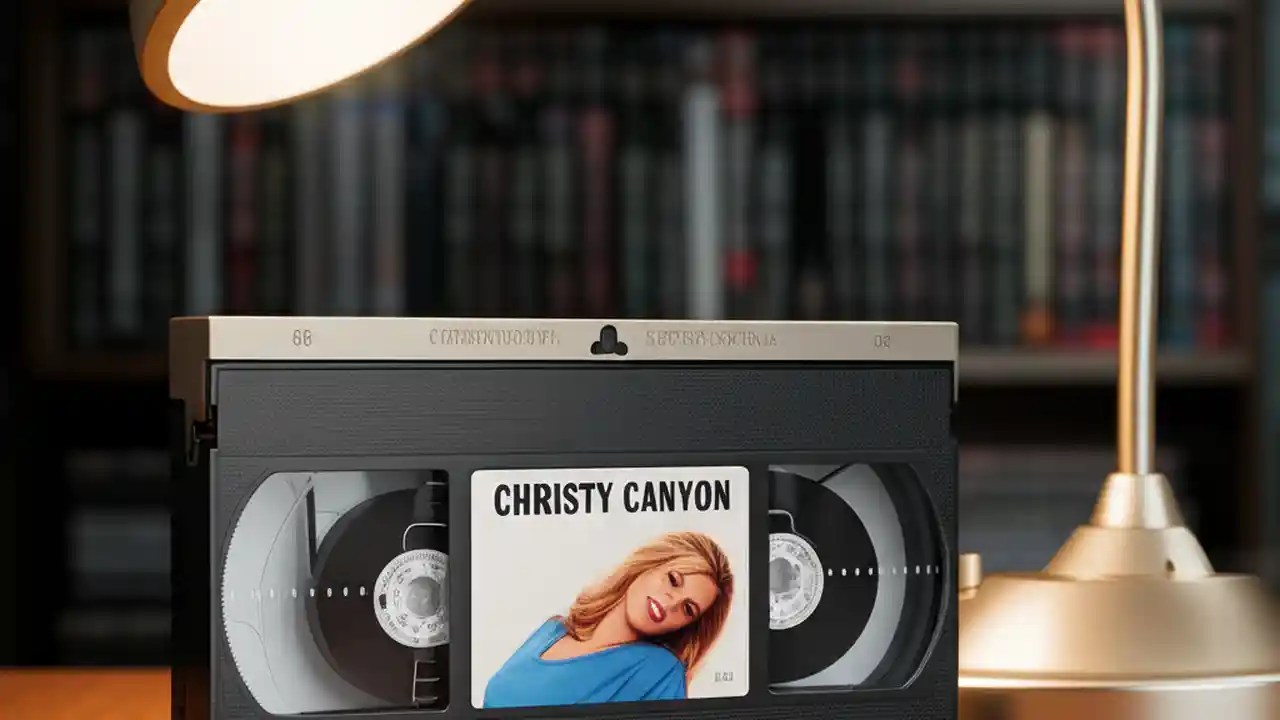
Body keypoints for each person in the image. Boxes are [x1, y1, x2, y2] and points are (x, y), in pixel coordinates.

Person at [482, 531, 735, 708]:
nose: (670, 603)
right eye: (673, 580)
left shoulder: (660, 672)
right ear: (649, 564)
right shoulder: (551, 630)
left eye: (687, 609)